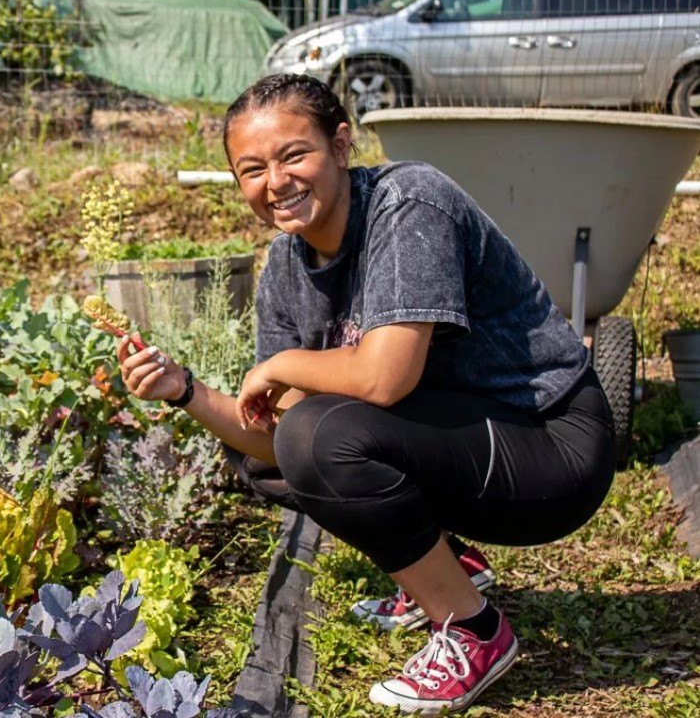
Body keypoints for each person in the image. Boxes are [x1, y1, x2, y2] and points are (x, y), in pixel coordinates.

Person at [117, 73, 615, 714]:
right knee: (271, 451)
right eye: (252, 169)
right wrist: (185, 390)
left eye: (295, 154)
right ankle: (442, 569)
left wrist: (285, 366)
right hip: (467, 442)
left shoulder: (408, 204)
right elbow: (274, 435)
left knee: (320, 435)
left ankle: (473, 631)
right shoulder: (286, 270)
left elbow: (385, 378)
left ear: (342, 145)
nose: (276, 182)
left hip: (551, 445)